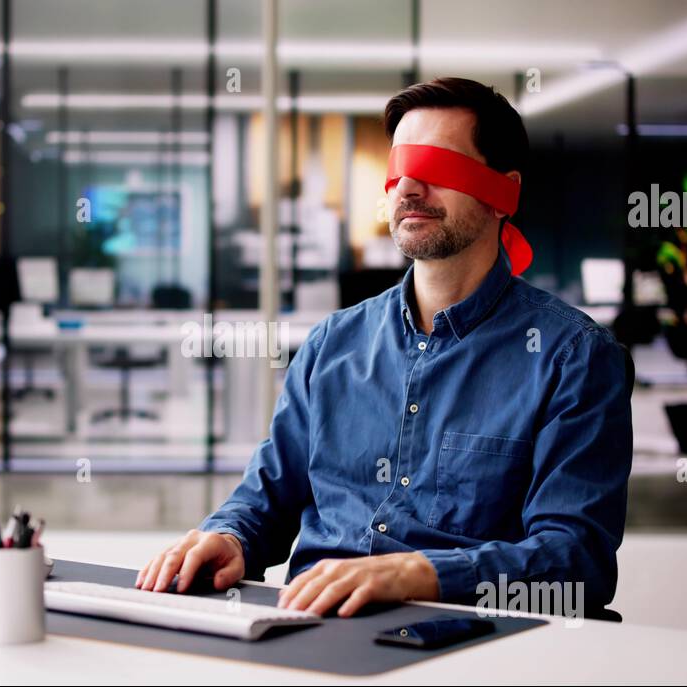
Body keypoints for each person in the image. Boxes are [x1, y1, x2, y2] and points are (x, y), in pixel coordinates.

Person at [136, 77, 632, 617]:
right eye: (400, 170)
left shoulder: (574, 357)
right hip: (308, 632)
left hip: (467, 644)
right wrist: (230, 536)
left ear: (503, 192)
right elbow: (267, 498)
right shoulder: (331, 345)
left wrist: (420, 573)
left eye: (440, 167)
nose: (409, 189)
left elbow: (577, 563)